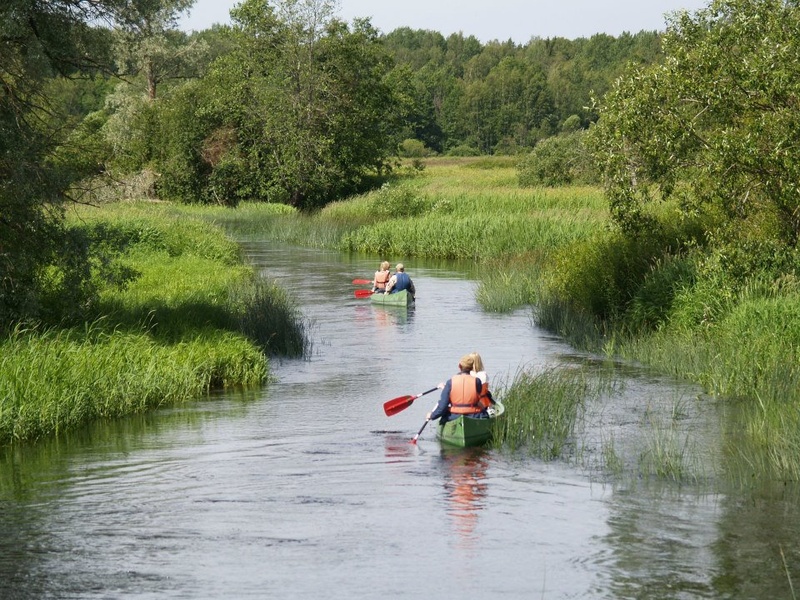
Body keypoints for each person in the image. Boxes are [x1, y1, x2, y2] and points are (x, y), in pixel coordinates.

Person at [427, 354, 493, 424]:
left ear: (459, 366)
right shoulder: (477, 381)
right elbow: (476, 399)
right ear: (471, 368)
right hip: (474, 415)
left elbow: (442, 407)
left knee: (444, 416)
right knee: (485, 414)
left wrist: (432, 415)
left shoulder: (450, 382)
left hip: (454, 416)